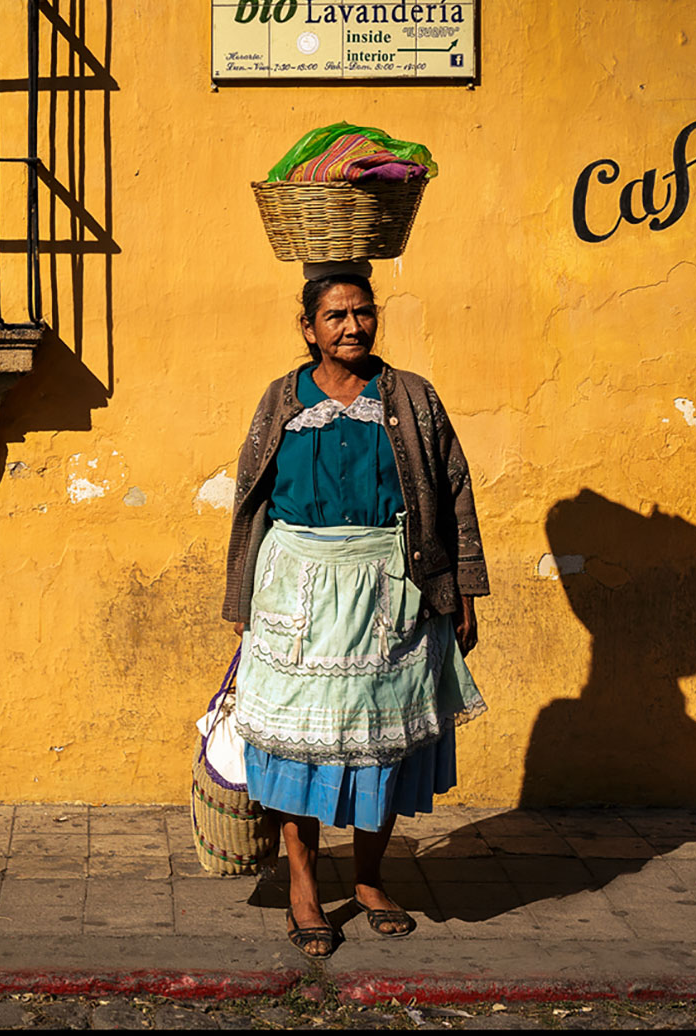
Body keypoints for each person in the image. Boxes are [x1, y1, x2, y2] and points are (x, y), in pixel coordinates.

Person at [222, 260, 488, 957]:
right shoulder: (283, 399)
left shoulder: (412, 396)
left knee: (383, 740)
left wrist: (459, 585)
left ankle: (369, 878)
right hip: (298, 592)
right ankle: (304, 888)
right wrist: (244, 595)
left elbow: (452, 487)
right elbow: (251, 495)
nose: (352, 325)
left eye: (362, 311)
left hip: (391, 589)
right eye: (335, 316)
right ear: (308, 328)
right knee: (294, 744)